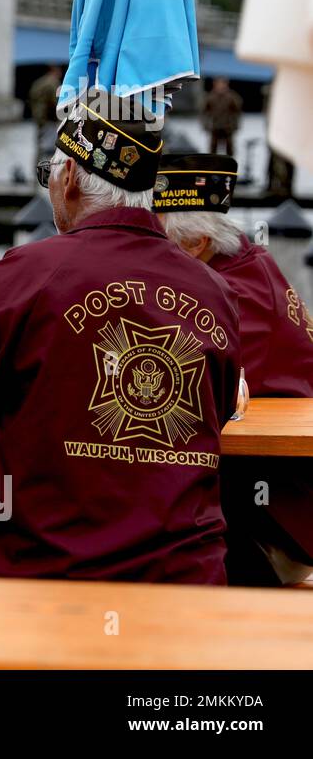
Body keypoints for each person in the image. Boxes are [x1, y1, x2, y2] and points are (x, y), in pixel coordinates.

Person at [0, 99, 242, 582]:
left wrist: (9, 470)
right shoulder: (213, 289)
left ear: (67, 176)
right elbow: (218, 411)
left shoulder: (26, 273)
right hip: (181, 582)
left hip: (32, 570)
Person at [154, 153, 313, 586]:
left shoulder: (232, 297)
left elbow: (189, 402)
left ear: (195, 244)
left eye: (155, 234)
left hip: (273, 524)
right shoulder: (248, 264)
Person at [202, 77, 243, 156]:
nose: (220, 86)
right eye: (218, 84)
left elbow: (237, 111)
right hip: (215, 126)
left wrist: (236, 124)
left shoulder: (231, 96)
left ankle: (229, 163)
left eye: (222, 84)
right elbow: (204, 112)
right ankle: (213, 163)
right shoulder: (211, 96)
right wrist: (205, 124)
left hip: (227, 126)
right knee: (213, 147)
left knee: (229, 147)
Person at [28, 64, 62, 152]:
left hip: (39, 117)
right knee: (49, 148)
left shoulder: (38, 82)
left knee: (41, 145)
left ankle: (39, 164)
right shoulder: (52, 82)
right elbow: (57, 102)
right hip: (49, 119)